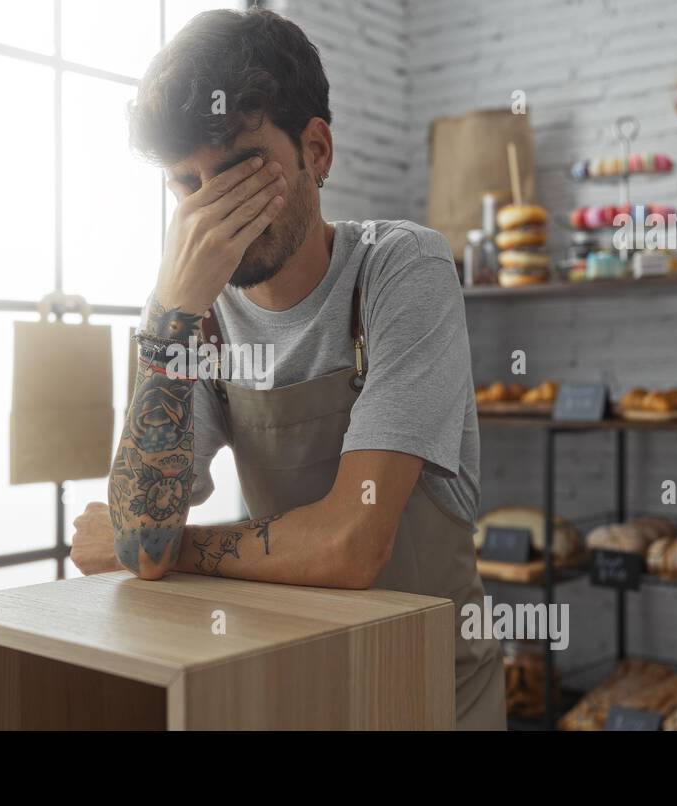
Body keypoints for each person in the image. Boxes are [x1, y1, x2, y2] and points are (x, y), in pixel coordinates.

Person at [70, 7, 504, 730]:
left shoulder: (403, 267)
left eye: (238, 171)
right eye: (187, 185)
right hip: (293, 685)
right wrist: (170, 317)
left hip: (433, 691)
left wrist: (174, 547)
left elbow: (352, 545)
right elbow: (141, 538)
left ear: (317, 150)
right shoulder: (190, 315)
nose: (213, 215)